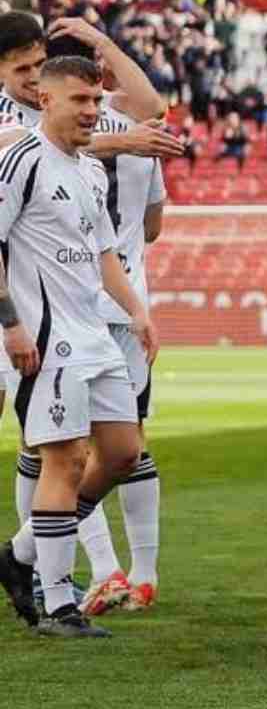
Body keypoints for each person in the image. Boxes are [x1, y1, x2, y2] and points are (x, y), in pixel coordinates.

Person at [0, 55, 160, 638]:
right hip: (44, 339)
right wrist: (11, 326)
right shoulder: (19, 163)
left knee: (122, 453)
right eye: (81, 101)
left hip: (95, 333)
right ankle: (59, 605)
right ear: (46, 100)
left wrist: (137, 312)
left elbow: (104, 255)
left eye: (97, 101)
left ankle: (20, 554)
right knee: (64, 460)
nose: (93, 111)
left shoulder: (91, 171)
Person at [71, 101, 168, 619]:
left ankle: (105, 568)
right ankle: (143, 575)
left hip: (75, 309)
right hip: (128, 306)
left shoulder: (54, 140)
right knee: (128, 443)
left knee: (71, 449)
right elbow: (152, 226)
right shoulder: (143, 132)